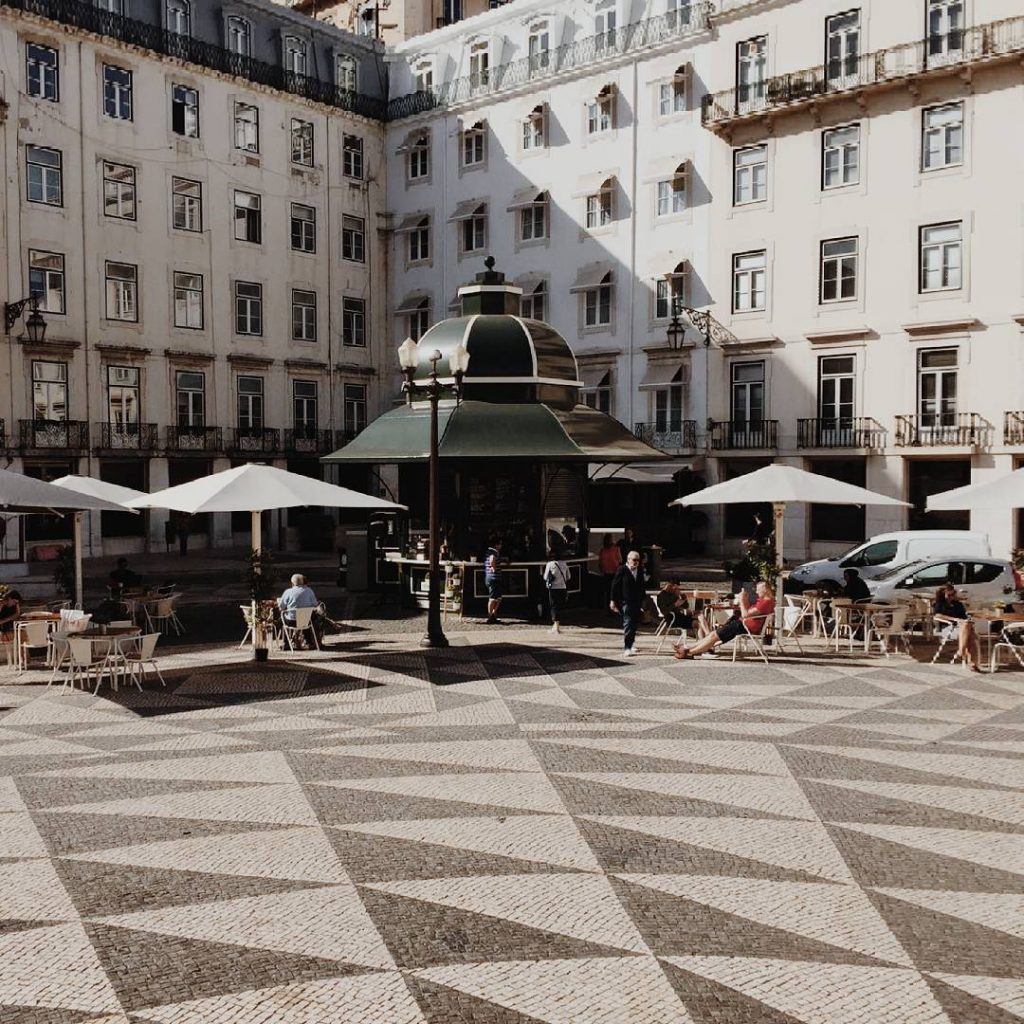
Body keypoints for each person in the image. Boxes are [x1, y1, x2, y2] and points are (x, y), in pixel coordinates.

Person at [674, 581, 775, 659]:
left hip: (745, 626)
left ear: (765, 590)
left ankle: (689, 652)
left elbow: (745, 614)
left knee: (714, 635)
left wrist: (742, 600)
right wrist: (745, 601)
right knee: (713, 634)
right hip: (743, 625)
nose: (756, 592)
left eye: (758, 590)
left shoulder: (766, 602)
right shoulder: (765, 601)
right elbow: (748, 612)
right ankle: (688, 649)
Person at [933, 583, 981, 672]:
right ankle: (971, 661)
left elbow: (964, 617)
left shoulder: (958, 604)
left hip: (961, 628)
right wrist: (955, 619)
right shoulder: (939, 604)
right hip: (948, 628)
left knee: (969, 633)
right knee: (971, 636)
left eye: (953, 594)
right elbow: (937, 615)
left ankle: (962, 651)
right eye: (949, 595)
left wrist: (964, 621)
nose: (952, 596)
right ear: (943, 595)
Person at [610, 550, 646, 656]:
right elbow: (614, 586)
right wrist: (612, 600)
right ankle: (627, 647)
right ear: (628, 560)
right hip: (625, 601)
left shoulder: (639, 570)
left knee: (634, 623)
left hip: (637, 601)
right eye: (634, 560)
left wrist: (643, 599)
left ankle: (631, 644)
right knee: (628, 623)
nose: (636, 562)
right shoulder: (622, 569)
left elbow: (641, 585)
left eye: (638, 560)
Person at [278, 573, 321, 647]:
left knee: (282, 618)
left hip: (291, 621)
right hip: (305, 620)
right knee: (305, 618)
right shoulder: (309, 591)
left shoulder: (288, 592)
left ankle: (286, 643)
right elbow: (315, 604)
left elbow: (281, 607)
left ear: (292, 583)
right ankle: (309, 642)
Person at [543, 551, 569, 634]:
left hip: (553, 588)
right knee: (560, 606)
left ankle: (556, 627)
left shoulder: (550, 564)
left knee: (554, 606)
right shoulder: (564, 564)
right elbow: (569, 576)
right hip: (563, 587)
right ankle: (556, 626)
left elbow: (545, 577)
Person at [484, 535, 504, 624]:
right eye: (500, 544)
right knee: (493, 598)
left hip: (492, 577)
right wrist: (493, 567)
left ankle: (493, 614)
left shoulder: (489, 551)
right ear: (496, 545)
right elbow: (492, 559)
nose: (501, 546)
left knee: (498, 597)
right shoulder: (493, 552)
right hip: (493, 577)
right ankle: (490, 616)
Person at [598, 534, 622, 610]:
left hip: (611, 573)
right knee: (611, 591)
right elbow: (620, 560)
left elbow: (619, 560)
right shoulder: (608, 549)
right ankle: (612, 608)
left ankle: (613, 608)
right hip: (610, 573)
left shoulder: (610, 549)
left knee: (611, 591)